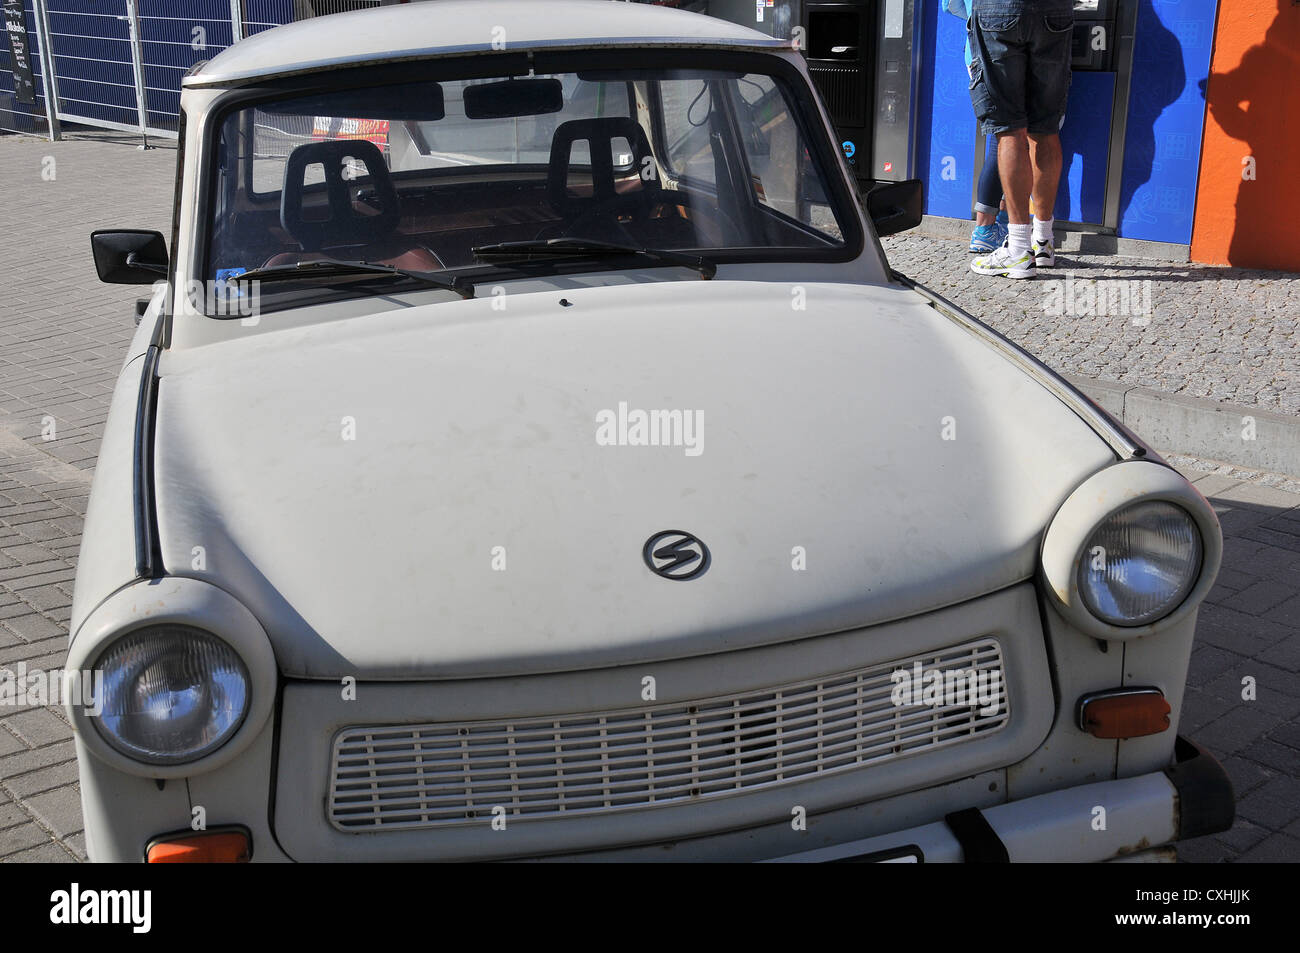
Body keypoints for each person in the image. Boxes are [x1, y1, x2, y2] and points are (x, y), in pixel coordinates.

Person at [966, 0, 1073, 278]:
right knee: (1046, 129)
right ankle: (1043, 243)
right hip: (1054, 11)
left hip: (999, 8)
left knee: (1010, 129)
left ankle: (1017, 250)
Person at [948, 0, 1009, 253]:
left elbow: (954, 6)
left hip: (978, 50)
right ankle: (985, 228)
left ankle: (999, 222)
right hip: (1014, 48)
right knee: (1009, 138)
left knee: (1004, 136)